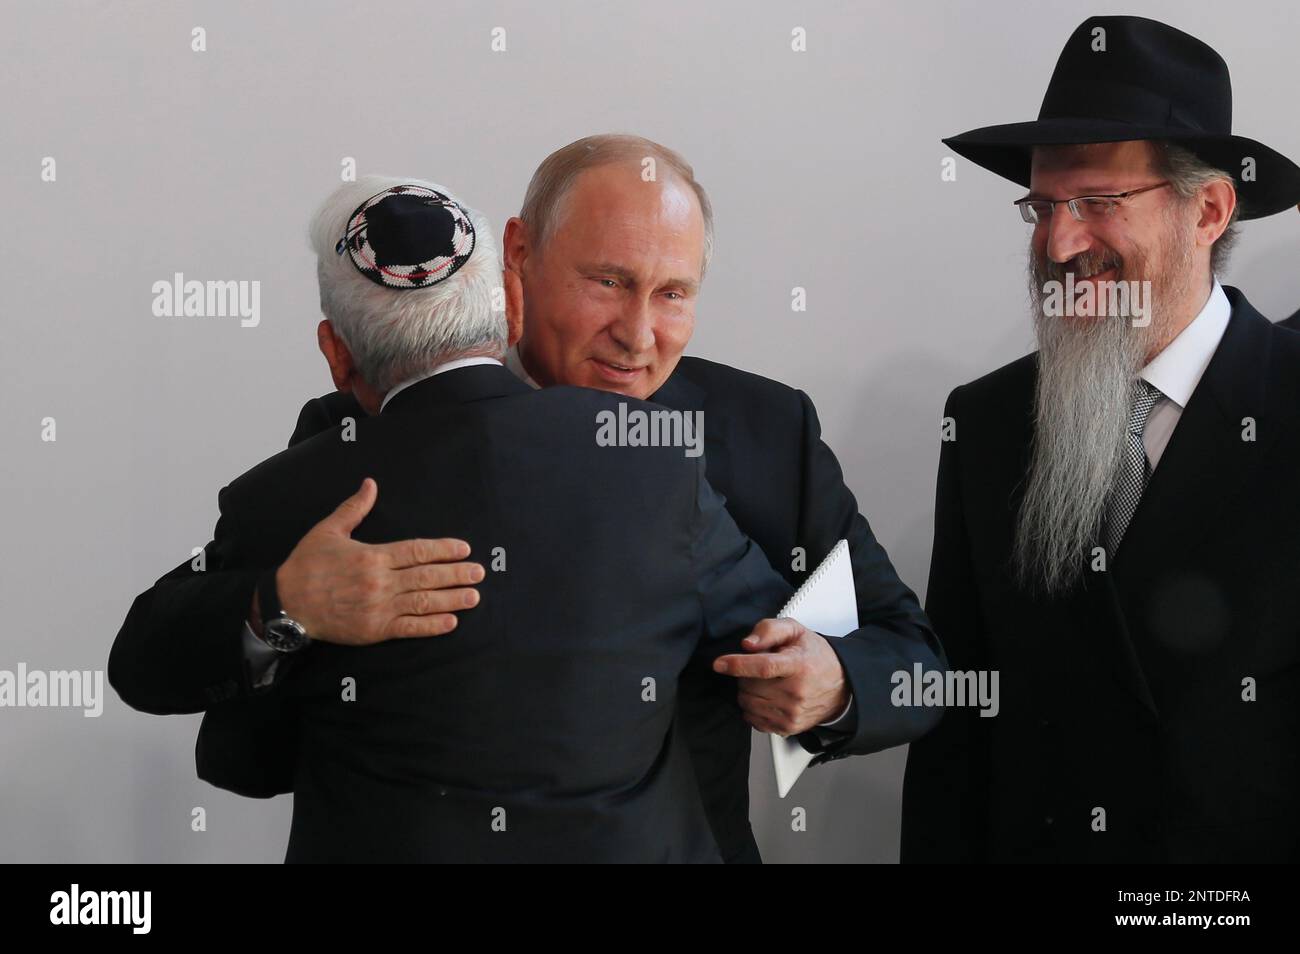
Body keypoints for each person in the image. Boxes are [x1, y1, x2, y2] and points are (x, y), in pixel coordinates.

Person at [114, 135, 945, 863]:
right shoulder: (348, 433)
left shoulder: (765, 429)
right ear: (516, 260)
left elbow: (916, 662)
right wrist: (281, 607)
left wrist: (835, 687)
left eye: (674, 293)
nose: (639, 332)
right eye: (609, 281)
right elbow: (155, 650)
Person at [902, 16, 1300, 862]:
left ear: (1209, 211)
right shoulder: (985, 423)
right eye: (1043, 207)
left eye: (1097, 203)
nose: (1058, 243)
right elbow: (960, 728)